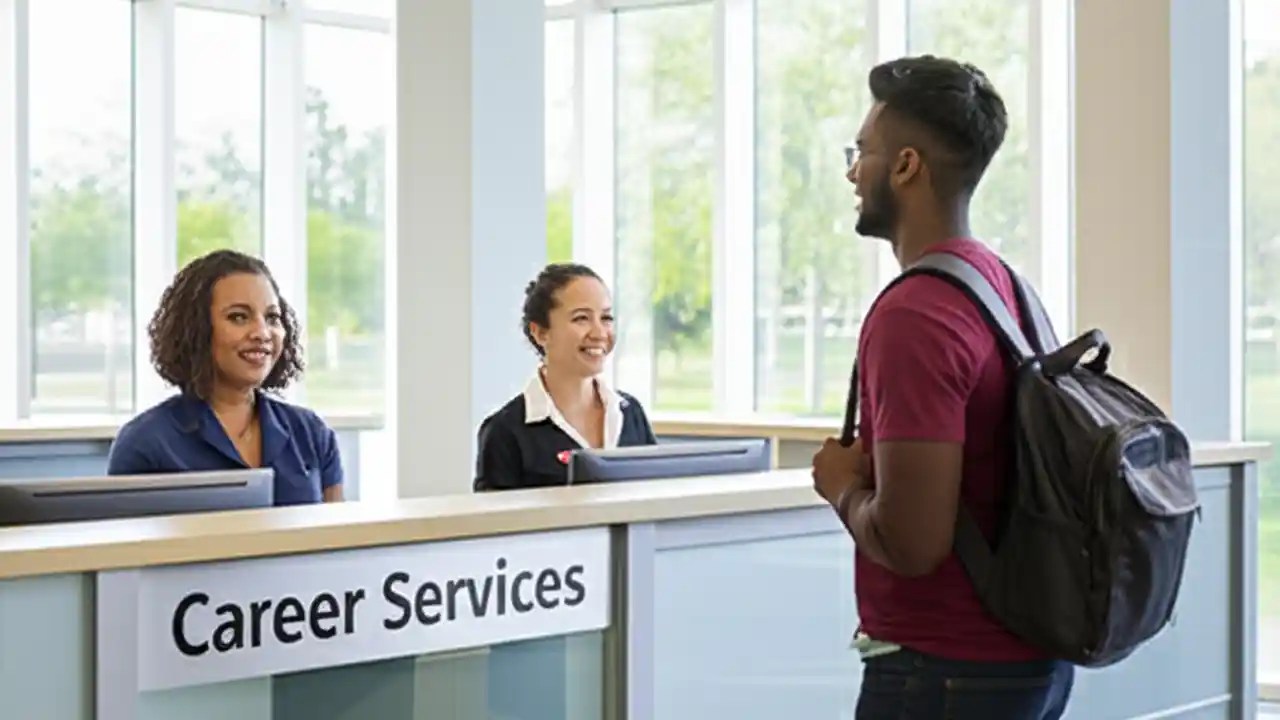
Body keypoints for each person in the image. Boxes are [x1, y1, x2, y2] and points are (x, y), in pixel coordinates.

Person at [810, 56, 1074, 718]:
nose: (852, 173)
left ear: (906, 166)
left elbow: (912, 543)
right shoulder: (1006, 288)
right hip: (1028, 662)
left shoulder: (916, 314)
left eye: (862, 152)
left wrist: (840, 484)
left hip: (942, 675)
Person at [107, 249, 344, 505]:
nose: (262, 333)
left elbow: (339, 529)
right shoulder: (146, 442)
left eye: (272, 318)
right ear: (197, 329)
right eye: (238, 317)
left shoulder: (312, 433)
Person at [474, 263, 657, 491]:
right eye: (581, 318)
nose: (599, 333)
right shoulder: (506, 432)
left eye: (606, 318)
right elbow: (495, 513)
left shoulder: (630, 414)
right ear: (541, 333)